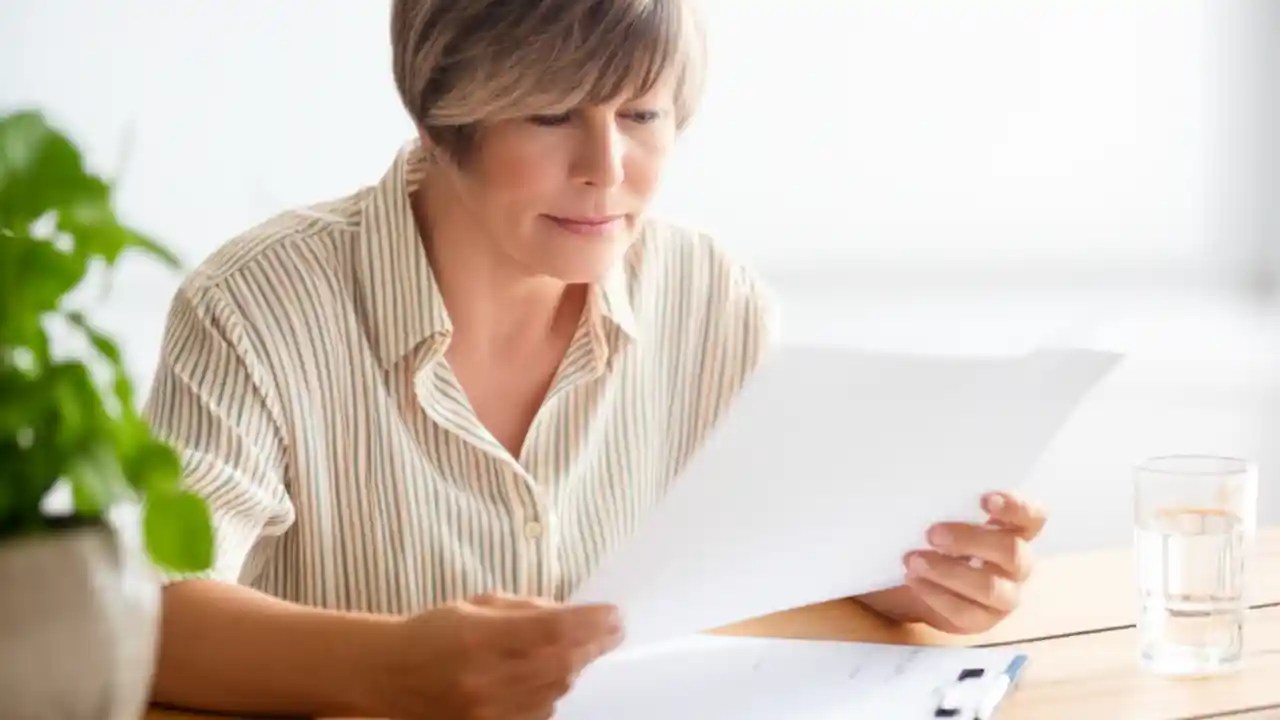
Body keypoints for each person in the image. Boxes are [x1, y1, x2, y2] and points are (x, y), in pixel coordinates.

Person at [145, 1, 1047, 718]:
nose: (607, 167)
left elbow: (782, 554)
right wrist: (390, 667)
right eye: (550, 114)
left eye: (642, 114)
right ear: (437, 119)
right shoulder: (255, 306)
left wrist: (923, 578)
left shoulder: (710, 297)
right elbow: (141, 610)